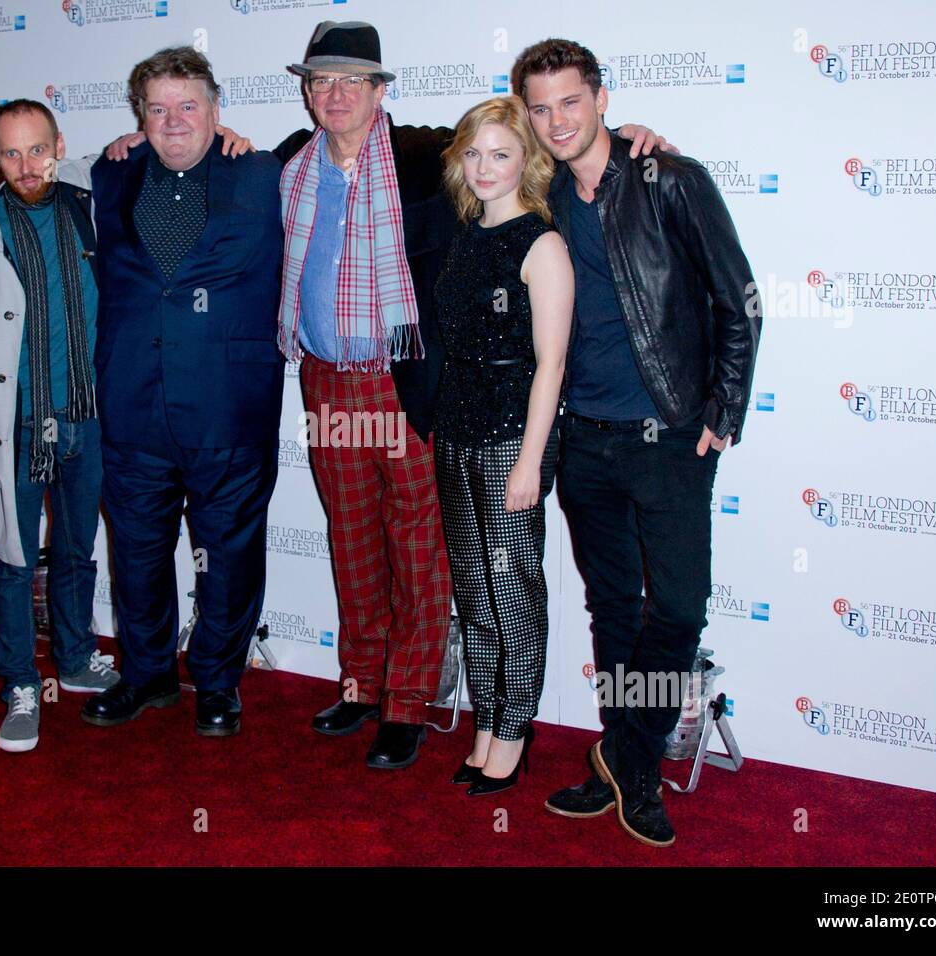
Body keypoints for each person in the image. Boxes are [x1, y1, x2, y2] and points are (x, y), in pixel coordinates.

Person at [103, 20, 671, 771]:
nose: (335, 95)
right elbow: (196, 153)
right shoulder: (283, 166)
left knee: (417, 546)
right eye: (321, 81)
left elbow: (518, 148)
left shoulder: (424, 155)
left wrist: (618, 138)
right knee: (352, 541)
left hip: (401, 381)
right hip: (323, 381)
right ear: (305, 92)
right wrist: (187, 133)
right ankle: (361, 686)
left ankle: (407, 703)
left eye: (352, 81)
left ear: (379, 90)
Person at [511, 39, 761, 846]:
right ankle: (630, 763)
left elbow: (739, 300)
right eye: (540, 107)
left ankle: (630, 754)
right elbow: (427, 152)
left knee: (679, 608)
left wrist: (725, 406)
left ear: (602, 99)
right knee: (612, 607)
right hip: (583, 443)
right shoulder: (535, 194)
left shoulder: (670, 181)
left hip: (669, 438)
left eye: (570, 102)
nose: (556, 121)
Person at [79, 47, 284, 738]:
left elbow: (399, 141)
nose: (173, 122)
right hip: (133, 404)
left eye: (187, 106)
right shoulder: (110, 172)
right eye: (157, 109)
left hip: (229, 409)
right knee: (135, 553)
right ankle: (147, 675)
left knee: (228, 557)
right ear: (139, 116)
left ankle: (219, 682)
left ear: (216, 109)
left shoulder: (263, 172)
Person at [0, 99, 119, 754]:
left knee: (77, 550)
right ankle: (20, 683)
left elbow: (148, 149)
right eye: (11, 153)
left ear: (59, 146)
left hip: (87, 415)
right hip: (13, 427)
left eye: (37, 149)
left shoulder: (88, 200)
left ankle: (75, 659)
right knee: (16, 562)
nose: (26, 165)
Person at [432, 96, 572, 796]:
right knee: (473, 591)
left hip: (511, 440)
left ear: (529, 161)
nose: (485, 167)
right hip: (454, 435)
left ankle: (516, 727)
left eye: (502, 154)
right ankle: (486, 717)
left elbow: (551, 363)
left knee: (512, 588)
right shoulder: (464, 234)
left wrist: (528, 461)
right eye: (474, 153)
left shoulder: (540, 242)